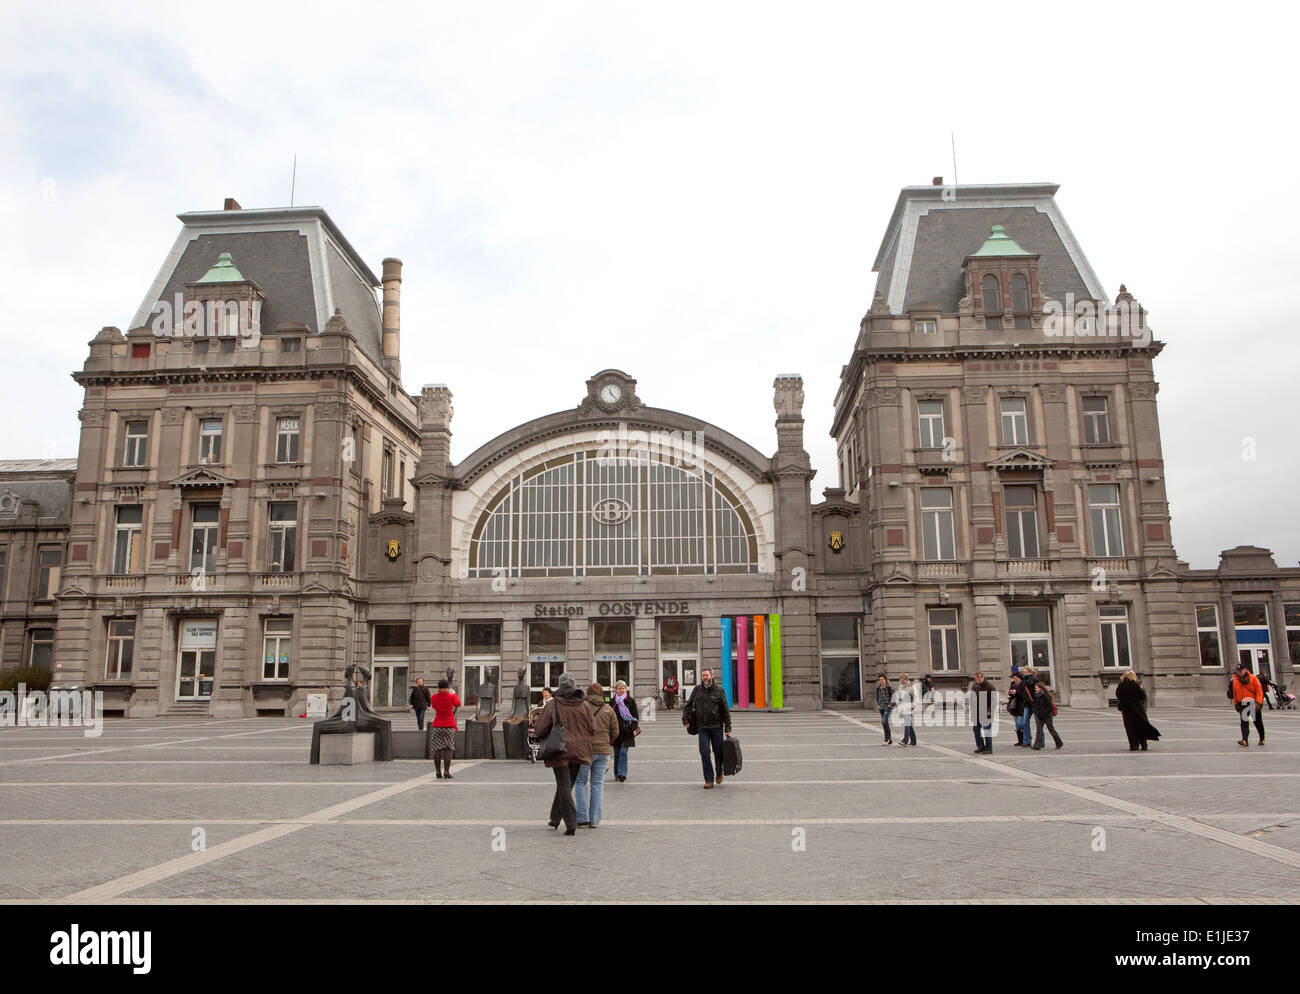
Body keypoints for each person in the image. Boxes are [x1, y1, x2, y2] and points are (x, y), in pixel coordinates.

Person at [531, 672, 595, 834]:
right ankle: (554, 818)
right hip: (580, 749)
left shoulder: (553, 704)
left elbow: (539, 729)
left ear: (560, 685)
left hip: (560, 749)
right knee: (566, 785)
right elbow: (593, 728)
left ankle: (571, 824)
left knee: (563, 785)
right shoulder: (584, 705)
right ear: (573, 685)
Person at [575, 682, 619, 828]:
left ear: (588, 693)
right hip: (603, 751)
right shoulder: (608, 709)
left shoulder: (581, 707)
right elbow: (615, 732)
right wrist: (607, 743)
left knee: (581, 782)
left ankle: (582, 818)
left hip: (585, 750)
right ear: (601, 693)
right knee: (597, 785)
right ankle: (594, 820)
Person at [683, 667, 731, 787]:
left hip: (717, 727)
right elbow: (688, 706)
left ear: (712, 676)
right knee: (704, 752)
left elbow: (725, 711)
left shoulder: (719, 691)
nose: (705, 677)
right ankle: (708, 779)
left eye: (706, 675)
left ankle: (719, 771)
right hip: (702, 727)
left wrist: (728, 728)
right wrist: (685, 719)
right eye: (703, 675)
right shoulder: (697, 690)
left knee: (718, 752)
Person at [1115, 671, 1160, 751]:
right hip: (1138, 709)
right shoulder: (1136, 685)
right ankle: (1144, 745)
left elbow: (1118, 695)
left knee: (1130, 727)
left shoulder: (1121, 685)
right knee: (1141, 726)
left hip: (1127, 710)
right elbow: (1142, 696)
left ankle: (1133, 745)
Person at [429, 679, 461, 778]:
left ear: (438, 687)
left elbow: (433, 706)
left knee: (437, 749)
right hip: (449, 725)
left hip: (437, 725)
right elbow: (458, 704)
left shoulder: (434, 697)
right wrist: (454, 693)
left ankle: (438, 772)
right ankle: (446, 772)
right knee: (448, 748)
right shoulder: (451, 696)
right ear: (447, 688)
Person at [610, 679, 639, 782]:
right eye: (619, 688)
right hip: (615, 732)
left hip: (627, 732)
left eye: (622, 688)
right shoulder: (613, 702)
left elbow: (635, 716)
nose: (621, 690)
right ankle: (617, 774)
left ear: (626, 689)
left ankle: (622, 773)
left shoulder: (630, 701)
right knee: (617, 753)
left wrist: (632, 728)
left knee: (623, 752)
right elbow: (609, 716)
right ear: (616, 690)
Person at [1231, 663, 1265, 747]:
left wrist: (1258, 702)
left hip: (1253, 702)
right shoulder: (1235, 680)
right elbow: (1235, 693)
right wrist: (1236, 704)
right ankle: (1245, 740)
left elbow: (1259, 691)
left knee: (1257, 722)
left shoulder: (1253, 678)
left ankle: (1262, 738)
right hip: (1243, 703)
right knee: (1244, 722)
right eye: (1238, 671)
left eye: (1241, 670)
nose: (1239, 672)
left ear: (1245, 670)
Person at [1030, 680, 1063, 750]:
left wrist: (1044, 713)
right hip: (1039, 715)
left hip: (1047, 715)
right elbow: (1035, 705)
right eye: (1035, 688)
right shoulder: (1036, 696)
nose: (1035, 690)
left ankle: (1059, 743)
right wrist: (1036, 712)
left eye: (1037, 688)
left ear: (1041, 688)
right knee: (1039, 730)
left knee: (1051, 729)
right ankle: (1037, 745)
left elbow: (1050, 706)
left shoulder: (1045, 695)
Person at [969, 671, 996, 754]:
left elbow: (994, 700)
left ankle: (989, 748)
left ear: (983, 677)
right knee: (976, 729)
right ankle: (980, 746)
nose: (979, 680)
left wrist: (989, 710)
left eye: (980, 678)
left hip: (986, 712)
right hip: (976, 712)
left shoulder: (989, 686)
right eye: (977, 679)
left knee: (987, 730)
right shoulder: (975, 685)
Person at [874, 674, 893, 745]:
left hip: (887, 707)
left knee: (884, 721)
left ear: (885, 679)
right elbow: (877, 696)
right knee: (885, 723)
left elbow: (894, 696)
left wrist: (890, 704)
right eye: (880, 680)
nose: (881, 681)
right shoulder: (878, 688)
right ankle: (889, 739)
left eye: (882, 679)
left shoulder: (889, 687)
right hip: (881, 707)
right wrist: (878, 704)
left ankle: (886, 738)